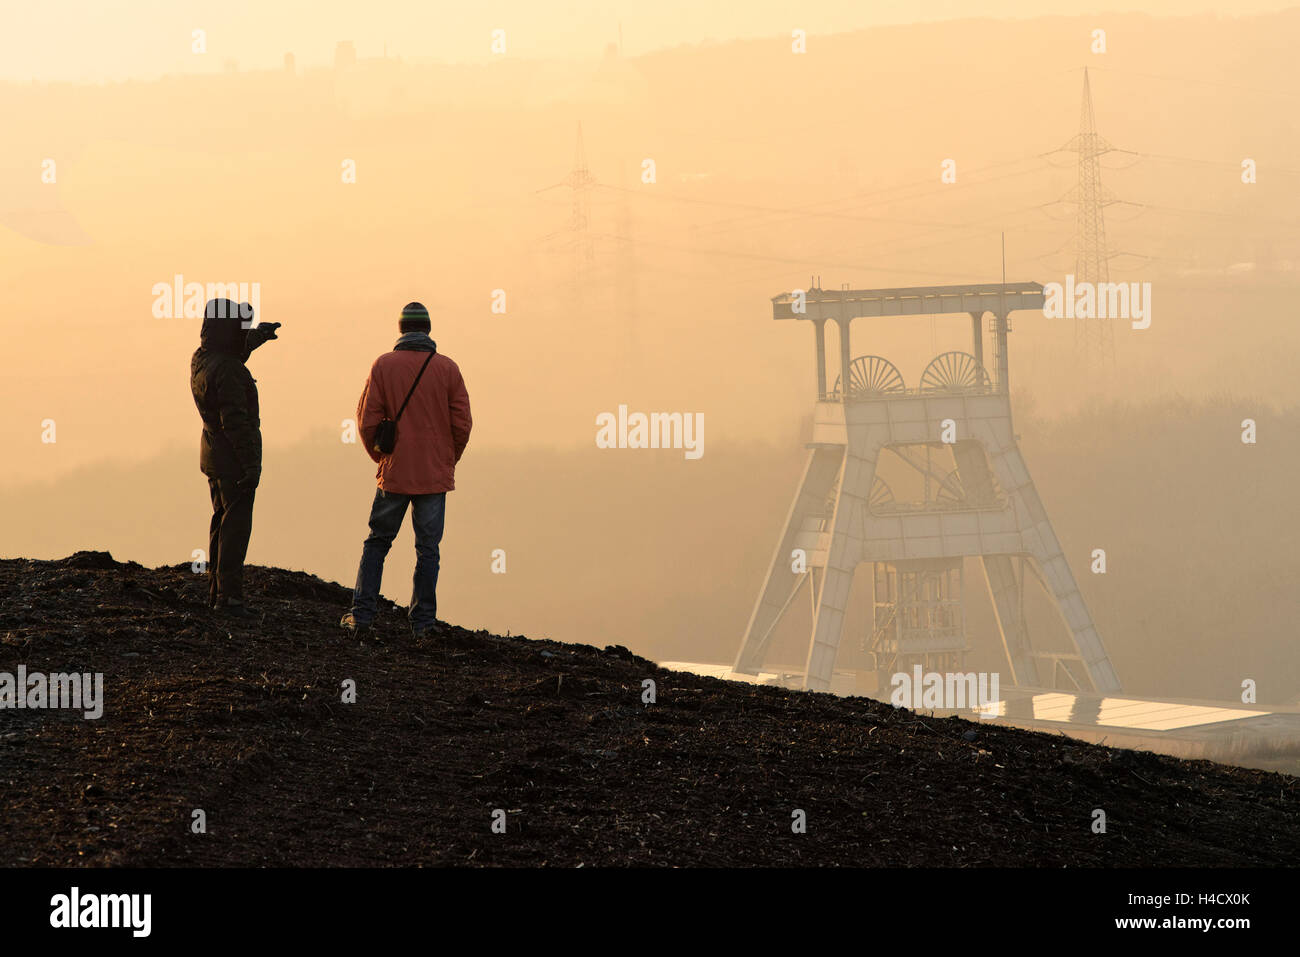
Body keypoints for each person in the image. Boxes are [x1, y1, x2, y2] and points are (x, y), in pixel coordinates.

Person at [342, 301, 472, 639]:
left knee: (377, 542)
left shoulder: (383, 366)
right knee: (428, 549)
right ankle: (423, 624)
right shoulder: (448, 369)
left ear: (401, 330)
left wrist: (381, 457)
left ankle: (362, 616)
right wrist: (447, 459)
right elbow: (462, 423)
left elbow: (367, 420)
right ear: (427, 330)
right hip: (433, 474)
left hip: (395, 471)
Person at [190, 298, 280, 618]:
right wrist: (251, 465)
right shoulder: (228, 371)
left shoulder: (204, 359)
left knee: (221, 521)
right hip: (232, 461)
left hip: (213, 456)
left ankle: (217, 592)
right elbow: (237, 423)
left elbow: (232, 351)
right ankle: (230, 598)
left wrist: (257, 337)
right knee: (236, 528)